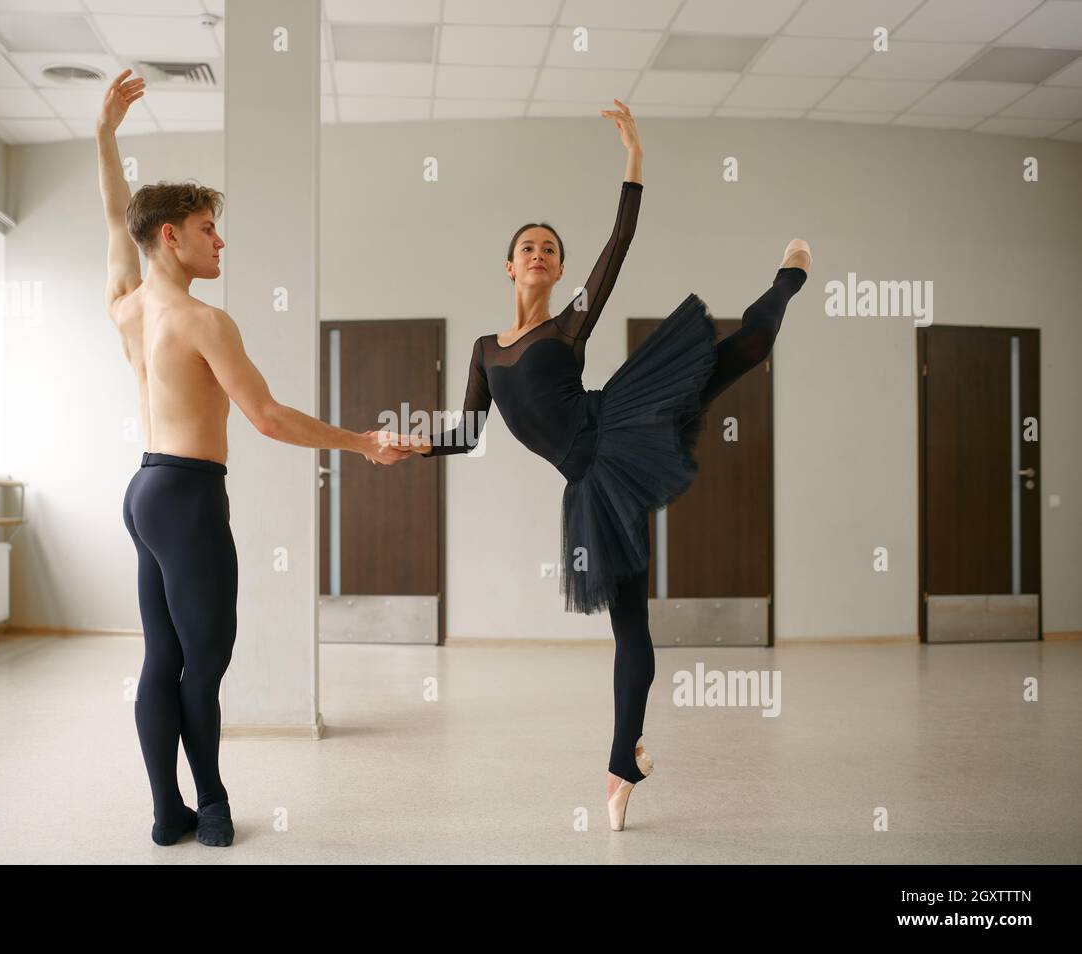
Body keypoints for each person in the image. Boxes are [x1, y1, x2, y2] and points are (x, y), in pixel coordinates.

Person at [403, 100, 810, 830]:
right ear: (508, 264)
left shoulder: (571, 322)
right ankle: (630, 758)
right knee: (631, 628)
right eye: (528, 247)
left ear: (558, 270)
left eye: (551, 249)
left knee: (740, 351)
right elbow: (467, 432)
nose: (540, 255)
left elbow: (619, 242)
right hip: (592, 484)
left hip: (621, 422)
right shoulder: (483, 351)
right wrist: (413, 442)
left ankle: (786, 283)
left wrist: (635, 157)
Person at [96, 70, 411, 848]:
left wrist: (104, 137)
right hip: (191, 495)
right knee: (203, 662)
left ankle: (167, 812)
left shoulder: (128, 304)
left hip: (143, 491)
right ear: (171, 236)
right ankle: (210, 806)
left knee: (161, 658)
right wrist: (362, 442)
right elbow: (267, 419)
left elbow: (115, 215)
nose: (219, 240)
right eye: (208, 227)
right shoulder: (204, 320)